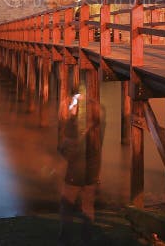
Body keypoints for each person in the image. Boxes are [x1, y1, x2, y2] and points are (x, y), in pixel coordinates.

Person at [58, 93, 104, 245]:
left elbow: (66, 150)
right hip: (92, 174)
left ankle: (65, 240)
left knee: (67, 207)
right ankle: (86, 239)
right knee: (88, 208)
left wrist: (71, 118)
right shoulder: (97, 128)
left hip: (74, 175)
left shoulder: (77, 129)